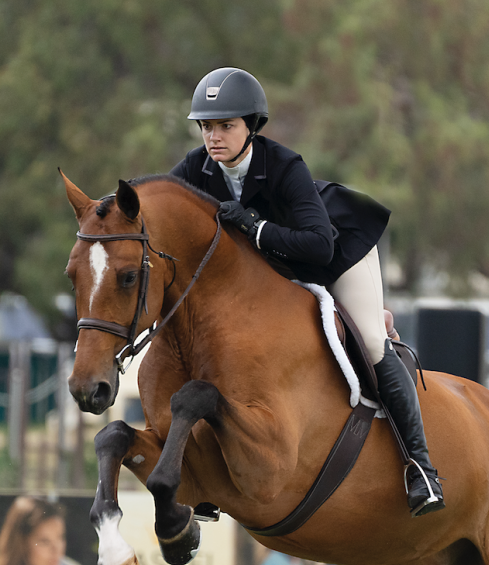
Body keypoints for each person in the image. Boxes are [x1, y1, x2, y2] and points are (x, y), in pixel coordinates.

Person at [171, 67, 444, 517]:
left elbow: (320, 245)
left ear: (251, 127)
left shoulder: (283, 165)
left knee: (373, 342)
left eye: (225, 126)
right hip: (275, 272)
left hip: (338, 252)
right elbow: (155, 203)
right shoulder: (195, 168)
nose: (213, 137)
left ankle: (421, 468)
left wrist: (255, 229)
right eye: (206, 126)